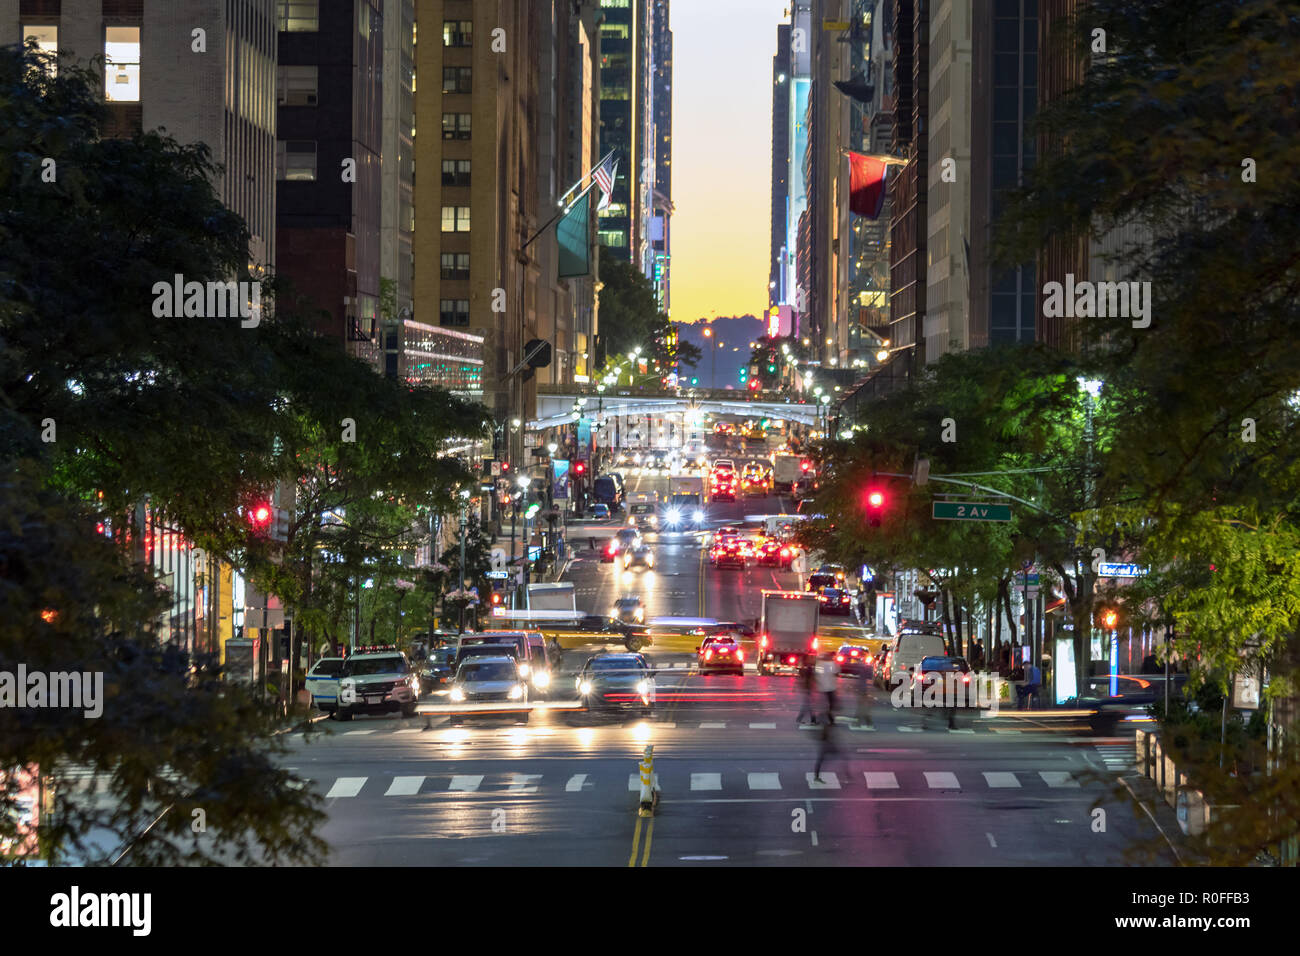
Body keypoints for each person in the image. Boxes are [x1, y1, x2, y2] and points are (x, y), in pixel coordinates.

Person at [814, 652, 841, 724]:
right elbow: (837, 672)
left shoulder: (820, 664)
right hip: (830, 688)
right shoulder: (832, 664)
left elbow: (817, 674)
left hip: (822, 687)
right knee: (830, 704)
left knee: (824, 704)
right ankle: (829, 718)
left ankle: (824, 718)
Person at [796, 660, 816, 725]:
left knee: (808, 706)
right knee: (807, 706)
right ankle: (812, 719)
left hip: (807, 690)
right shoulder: (809, 675)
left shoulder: (806, 674)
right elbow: (811, 682)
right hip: (808, 691)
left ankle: (812, 719)